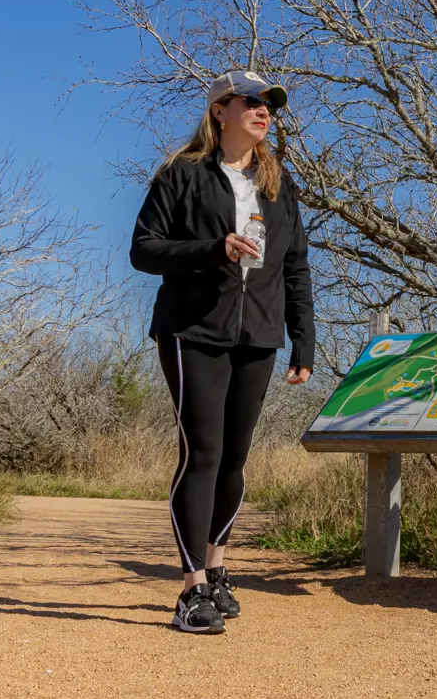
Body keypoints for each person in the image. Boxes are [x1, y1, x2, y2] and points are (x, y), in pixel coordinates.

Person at [129, 70, 314, 635]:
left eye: (269, 105)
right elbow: (144, 250)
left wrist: (302, 339)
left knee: (234, 459)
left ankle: (216, 570)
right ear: (219, 110)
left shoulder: (278, 184)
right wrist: (214, 249)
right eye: (251, 102)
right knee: (202, 454)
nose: (264, 111)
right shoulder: (182, 174)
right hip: (193, 331)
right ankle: (190, 590)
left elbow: (295, 267)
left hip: (258, 335)